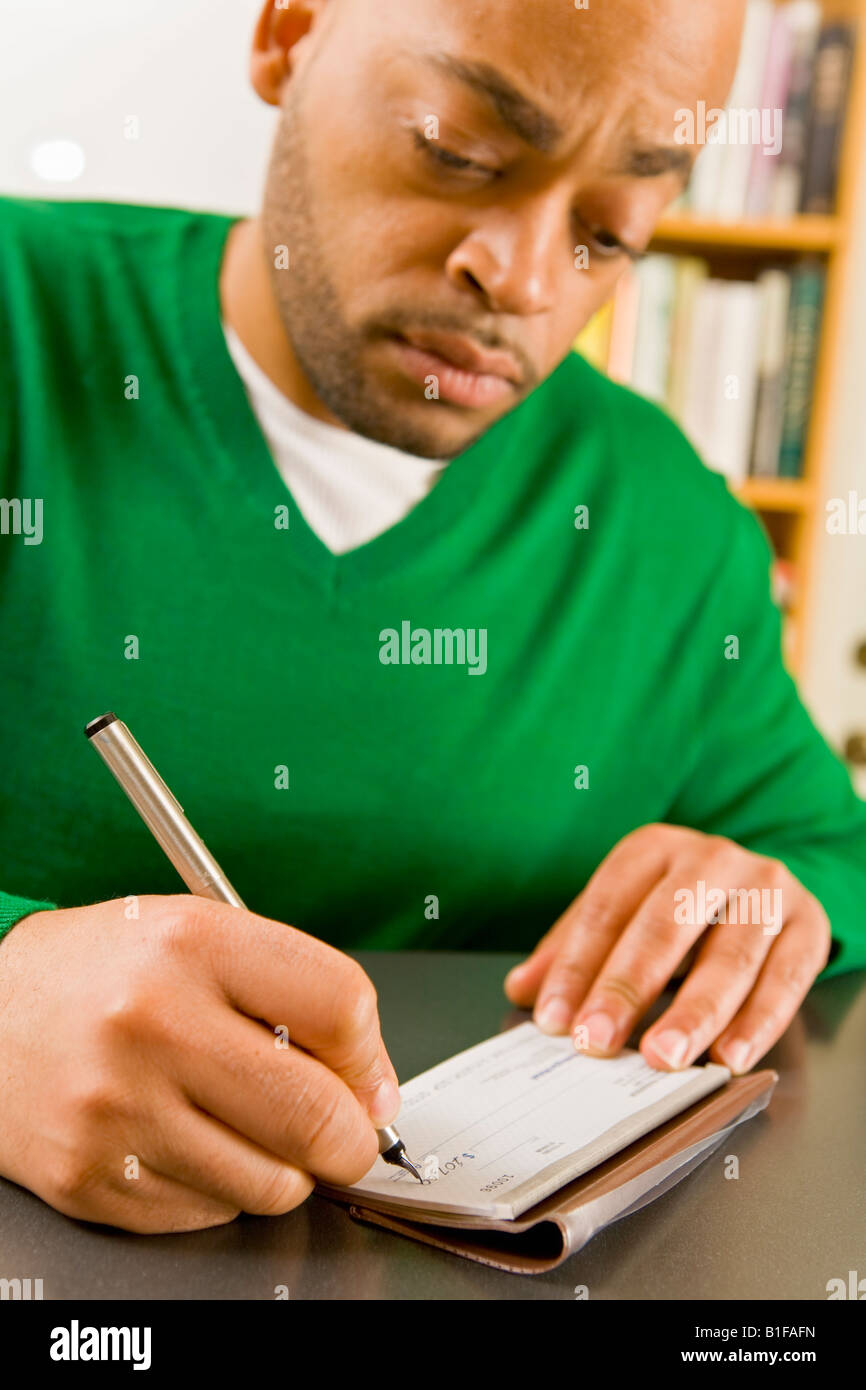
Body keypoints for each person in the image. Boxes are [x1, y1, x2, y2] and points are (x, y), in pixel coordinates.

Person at [0, 0, 862, 1234]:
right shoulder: (22, 326)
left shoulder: (666, 523)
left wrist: (770, 896)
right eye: (457, 151)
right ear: (290, 33)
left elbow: (831, 850)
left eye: (609, 230)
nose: (518, 277)